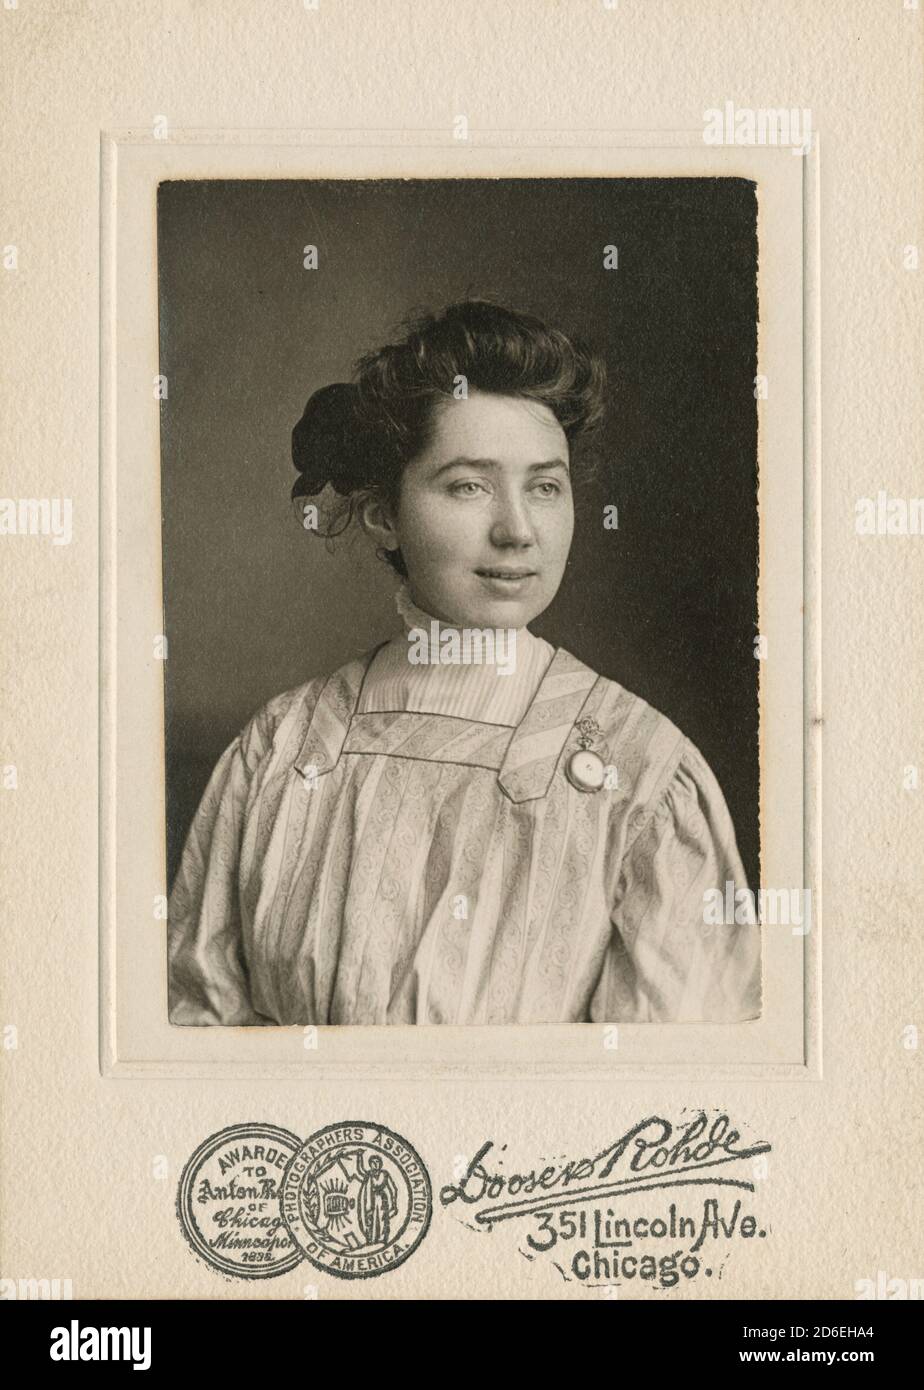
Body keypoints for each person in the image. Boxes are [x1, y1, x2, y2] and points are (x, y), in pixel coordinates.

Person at [167, 299, 760, 1026]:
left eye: (545, 486)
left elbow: (665, 1104)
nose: (517, 530)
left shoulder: (642, 775)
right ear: (385, 511)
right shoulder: (281, 749)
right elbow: (196, 1027)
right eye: (469, 486)